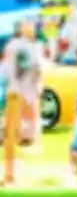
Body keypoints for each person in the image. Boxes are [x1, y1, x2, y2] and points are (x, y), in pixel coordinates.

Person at [3, 20, 43, 148]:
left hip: (14, 85)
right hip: (28, 85)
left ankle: (9, 135)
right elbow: (37, 68)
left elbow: (7, 65)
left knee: (12, 113)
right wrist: (39, 84)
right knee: (29, 113)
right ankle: (25, 137)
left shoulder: (11, 45)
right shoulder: (34, 46)